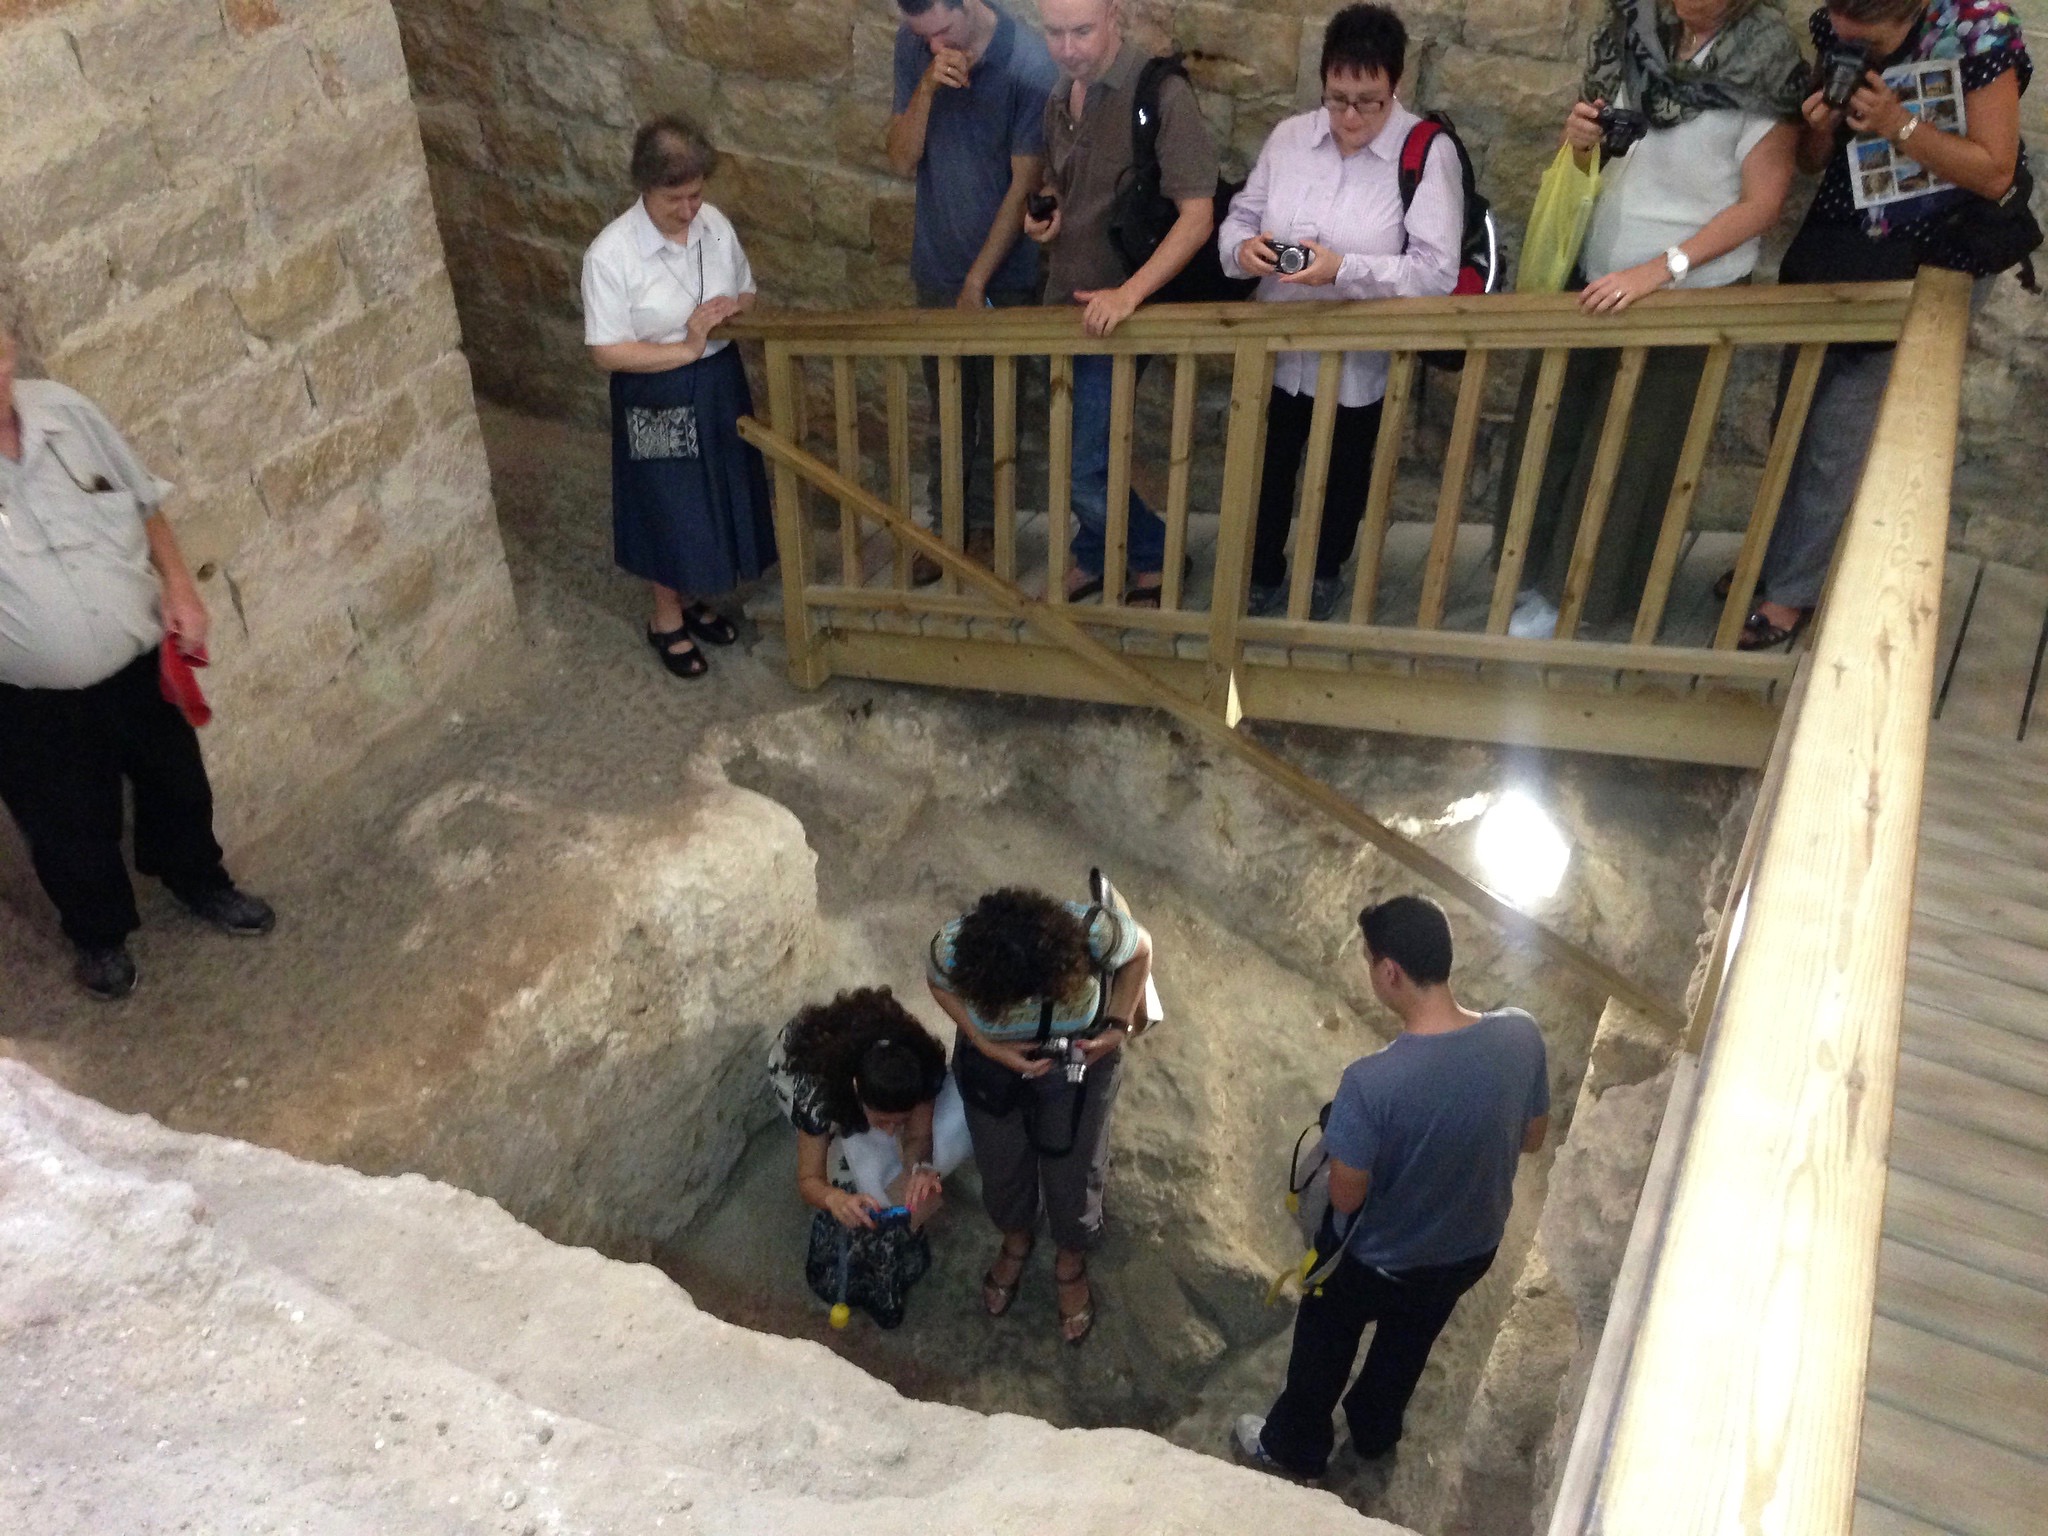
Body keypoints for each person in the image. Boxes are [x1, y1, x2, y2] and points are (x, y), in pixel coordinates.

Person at [1499, 0, 1805, 641]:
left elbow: (1763, 204)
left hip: (1684, 296)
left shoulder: (1764, 61)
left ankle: (1579, 601)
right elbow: (1606, 160)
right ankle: (1525, 575)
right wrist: (1579, 141)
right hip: (1597, 275)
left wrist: (1661, 270)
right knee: (1555, 428)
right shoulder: (1635, 33)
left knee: (1629, 454)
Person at [1743, 0, 2031, 649]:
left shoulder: (1979, 29)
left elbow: (1995, 172)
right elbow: (1816, 160)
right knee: (1796, 415)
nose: (1851, 42)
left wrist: (1898, 125)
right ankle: (1776, 566)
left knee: (1841, 432)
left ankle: (1791, 593)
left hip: (1933, 252)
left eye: (1868, 39)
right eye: (1841, 29)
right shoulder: (1837, 23)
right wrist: (1819, 129)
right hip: (1843, 246)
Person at [0, 323, 275, 1001]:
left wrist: (180, 586)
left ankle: (198, 879)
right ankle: (99, 935)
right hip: (28, 697)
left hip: (138, 659)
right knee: (66, 825)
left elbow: (144, 503)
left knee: (177, 784)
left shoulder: (66, 412)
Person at [1231, 895, 1549, 1481]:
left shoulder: (1370, 1084)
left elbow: (1346, 1198)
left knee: (1324, 1343)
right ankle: (1374, 1434)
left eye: (1369, 960)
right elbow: (1532, 1138)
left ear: (1389, 972)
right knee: (1408, 1342)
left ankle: (1294, 1445)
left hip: (1377, 1263)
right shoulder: (1521, 1034)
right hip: (1469, 1251)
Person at [1219, 4, 1464, 622]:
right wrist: (1242, 250)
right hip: (1276, 347)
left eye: (1368, 102)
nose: (1351, 117)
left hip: (1359, 361)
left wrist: (1343, 269)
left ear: (1396, 85)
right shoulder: (1289, 138)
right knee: (1268, 469)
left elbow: (1435, 273)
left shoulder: (1426, 153)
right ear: (1323, 83)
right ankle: (1261, 570)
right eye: (1337, 99)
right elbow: (1240, 217)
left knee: (1345, 474)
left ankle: (1326, 568)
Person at [1025, 0, 1219, 607]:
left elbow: (1198, 215)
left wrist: (1129, 295)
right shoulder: (1061, 93)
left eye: (1081, 30)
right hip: (1064, 305)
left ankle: (1153, 555)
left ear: (1114, 14)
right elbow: (1063, 185)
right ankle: (1095, 553)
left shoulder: (1161, 94)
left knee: (1084, 463)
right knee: (1079, 451)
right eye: (1054, 32)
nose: (1067, 48)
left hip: (1120, 314)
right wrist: (1049, 218)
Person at [582, 115, 774, 681]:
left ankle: (692, 596)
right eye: (675, 200)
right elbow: (606, 351)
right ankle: (665, 616)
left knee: (717, 489)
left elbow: (746, 290)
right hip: (656, 389)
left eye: (696, 195)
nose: (690, 210)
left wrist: (732, 310)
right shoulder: (611, 254)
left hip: (719, 381)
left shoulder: (714, 225)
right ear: (645, 188)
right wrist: (686, 347)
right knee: (670, 503)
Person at [927, 885, 1152, 1343]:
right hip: (993, 1064)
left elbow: (1141, 950)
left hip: (1079, 1060)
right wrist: (985, 1041)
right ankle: (1016, 1237)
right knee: (1000, 1160)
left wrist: (1116, 1025)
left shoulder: (1094, 934)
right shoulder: (955, 948)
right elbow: (938, 981)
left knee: (1076, 1164)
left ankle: (1071, 1255)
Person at [887, 0, 1058, 585]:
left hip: (1005, 277)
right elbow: (902, 158)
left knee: (999, 411)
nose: (936, 44)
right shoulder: (913, 48)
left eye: (943, 30)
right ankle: (945, 527)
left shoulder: (1028, 62)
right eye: (924, 36)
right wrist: (925, 89)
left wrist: (978, 280)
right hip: (936, 265)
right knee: (947, 412)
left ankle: (985, 527)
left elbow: (1024, 184)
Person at [769, 986, 971, 1329]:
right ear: (857, 1091)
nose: (892, 1132)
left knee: (884, 1171)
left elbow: (918, 1136)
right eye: (882, 1121)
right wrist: (834, 1198)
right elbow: (808, 1179)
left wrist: (921, 1167)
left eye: (900, 1120)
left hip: (860, 1079)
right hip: (798, 1065)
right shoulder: (817, 1096)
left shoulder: (919, 1069)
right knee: (850, 1180)